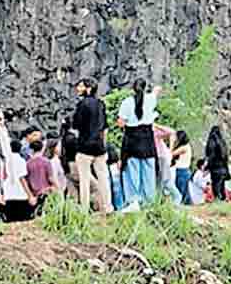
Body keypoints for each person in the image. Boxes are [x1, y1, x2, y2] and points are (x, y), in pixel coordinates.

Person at [71, 78, 112, 213]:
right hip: (99, 147)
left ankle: (84, 209)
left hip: (85, 146)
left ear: (88, 88)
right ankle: (107, 206)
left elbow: (76, 125)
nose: (78, 88)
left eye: (81, 86)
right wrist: (104, 145)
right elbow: (105, 127)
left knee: (84, 179)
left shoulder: (82, 104)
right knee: (103, 178)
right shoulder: (101, 104)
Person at [118, 79, 160, 207]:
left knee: (132, 171)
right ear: (145, 88)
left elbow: (121, 123)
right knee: (149, 170)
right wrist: (155, 89)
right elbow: (156, 91)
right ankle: (149, 201)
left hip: (132, 139)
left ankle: (133, 201)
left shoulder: (126, 102)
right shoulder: (151, 99)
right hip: (147, 139)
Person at [0, 139, 36, 222]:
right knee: (21, 220)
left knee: (10, 220)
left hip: (8, 193)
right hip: (20, 194)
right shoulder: (21, 161)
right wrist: (29, 194)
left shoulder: (5, 161)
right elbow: (22, 178)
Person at [153, 124, 181, 204]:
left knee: (166, 180)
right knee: (157, 182)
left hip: (161, 157)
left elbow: (171, 132)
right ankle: (157, 202)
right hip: (153, 158)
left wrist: (156, 125)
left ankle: (177, 197)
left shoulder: (154, 131)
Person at [204, 126, 231, 205]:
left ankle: (218, 201)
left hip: (215, 168)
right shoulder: (223, 143)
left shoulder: (211, 143)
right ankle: (223, 201)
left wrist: (207, 167)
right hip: (223, 168)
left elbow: (211, 157)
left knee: (216, 186)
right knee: (221, 186)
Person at [25, 139, 56, 206]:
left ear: (32, 150)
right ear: (42, 148)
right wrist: (57, 187)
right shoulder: (46, 161)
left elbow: (27, 180)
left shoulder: (28, 163)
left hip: (35, 194)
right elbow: (50, 177)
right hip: (47, 192)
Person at [171, 131, 192, 204]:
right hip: (183, 171)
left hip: (182, 171)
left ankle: (183, 205)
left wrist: (172, 142)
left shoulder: (184, 147)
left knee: (181, 191)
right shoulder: (186, 146)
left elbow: (171, 154)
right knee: (184, 191)